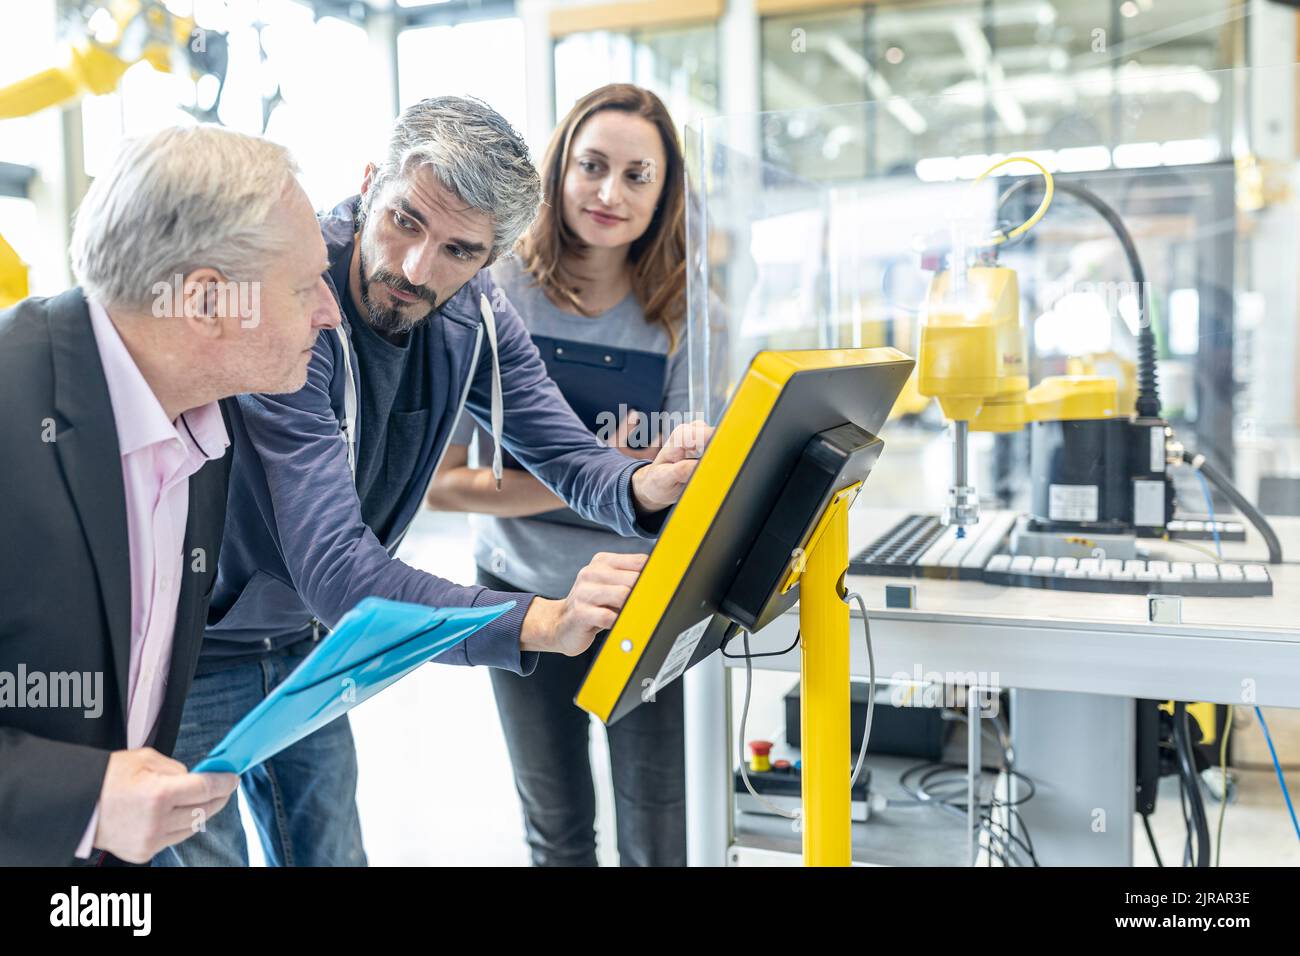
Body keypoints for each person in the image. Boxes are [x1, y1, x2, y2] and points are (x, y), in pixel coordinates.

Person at [157, 96, 709, 867]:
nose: (416, 269)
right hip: (194, 643)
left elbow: (558, 447)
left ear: (492, 258)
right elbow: (339, 572)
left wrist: (642, 486)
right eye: (405, 221)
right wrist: (538, 622)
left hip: (308, 647)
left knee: (331, 855)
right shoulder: (295, 308)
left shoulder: (474, 309)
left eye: (459, 249)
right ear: (370, 181)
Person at [0, 125, 340, 865]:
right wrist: (82, 799)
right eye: (305, 284)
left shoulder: (201, 419)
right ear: (210, 302)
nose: (329, 311)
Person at [426, 84, 691, 867]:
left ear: (664, 191)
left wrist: (646, 478)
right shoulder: (491, 294)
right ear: (558, 171)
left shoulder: (678, 309)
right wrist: (612, 475)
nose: (611, 193)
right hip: (521, 594)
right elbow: (443, 482)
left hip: (642, 602)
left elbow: (686, 480)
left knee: (659, 829)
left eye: (638, 175)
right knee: (558, 832)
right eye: (592, 166)